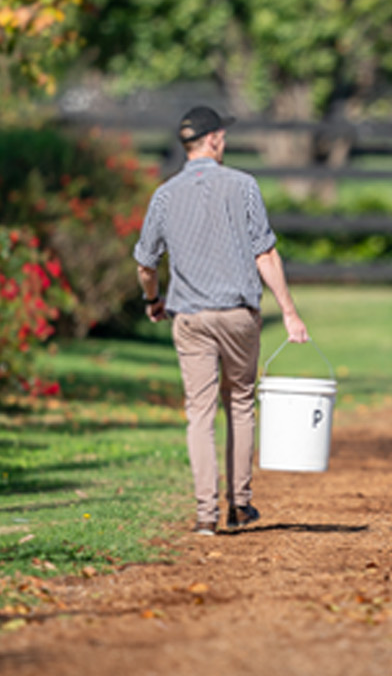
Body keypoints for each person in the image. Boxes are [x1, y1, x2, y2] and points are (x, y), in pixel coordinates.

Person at [134, 105, 310, 537]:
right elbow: (265, 254)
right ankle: (241, 503)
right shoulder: (244, 186)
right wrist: (289, 312)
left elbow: (145, 263)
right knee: (241, 402)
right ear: (211, 140)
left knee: (199, 412)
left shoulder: (164, 195)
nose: (225, 143)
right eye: (223, 137)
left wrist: (153, 299)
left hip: (190, 317)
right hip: (237, 315)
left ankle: (205, 513)